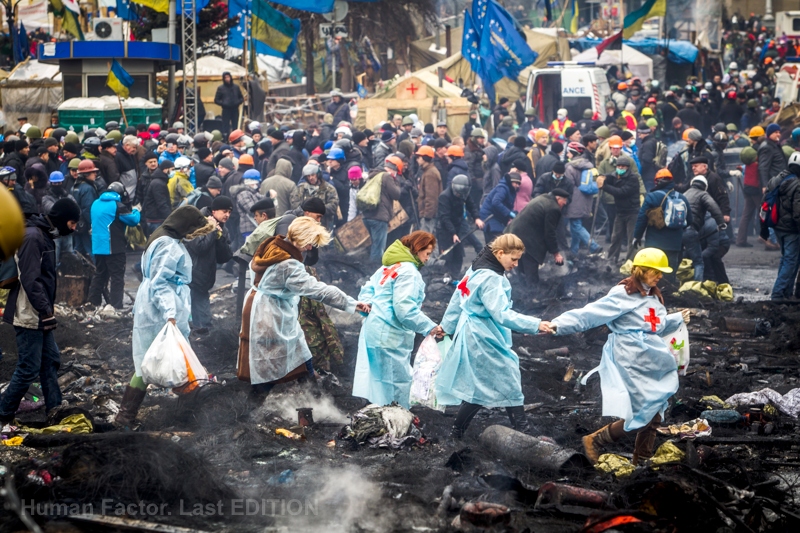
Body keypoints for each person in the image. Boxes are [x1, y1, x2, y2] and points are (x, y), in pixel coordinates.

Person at [546, 248, 690, 464]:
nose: (660, 276)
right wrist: (557, 325)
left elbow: (653, 327)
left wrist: (676, 319)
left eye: (661, 272)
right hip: (631, 358)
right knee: (646, 408)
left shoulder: (653, 296)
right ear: (640, 270)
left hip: (652, 358)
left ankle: (641, 459)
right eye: (655, 271)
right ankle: (596, 440)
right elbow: (589, 314)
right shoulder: (623, 294)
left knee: (655, 406)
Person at [436, 235, 550, 438]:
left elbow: (457, 297)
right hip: (483, 336)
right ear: (499, 254)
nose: (515, 264)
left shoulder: (477, 268)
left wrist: (447, 325)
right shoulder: (492, 278)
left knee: (482, 384)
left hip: (474, 333)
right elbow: (502, 313)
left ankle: (457, 433)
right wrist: (535, 324)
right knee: (509, 376)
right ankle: (523, 429)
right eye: (513, 259)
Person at [243, 217, 369, 396]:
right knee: (271, 361)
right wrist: (351, 303)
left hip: (261, 307)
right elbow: (318, 290)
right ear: (301, 238)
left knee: (299, 354)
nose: (310, 248)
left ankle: (311, 399)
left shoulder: (272, 245)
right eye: (310, 243)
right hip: (270, 314)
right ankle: (254, 404)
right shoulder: (289, 265)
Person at [116, 207, 216, 427]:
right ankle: (188, 415)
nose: (194, 235)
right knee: (177, 358)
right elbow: (162, 282)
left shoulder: (162, 238)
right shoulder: (169, 246)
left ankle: (125, 416)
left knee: (148, 361)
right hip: (160, 308)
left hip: (153, 305)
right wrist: (170, 313)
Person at [0, 199, 80, 424]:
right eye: (73, 223)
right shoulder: (34, 237)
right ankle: (4, 413)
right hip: (28, 311)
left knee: (51, 360)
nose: (74, 228)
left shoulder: (43, 235)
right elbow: (30, 278)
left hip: (38, 310)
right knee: (28, 367)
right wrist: (45, 310)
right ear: (63, 219)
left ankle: (54, 409)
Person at [353, 232, 442, 407]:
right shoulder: (409, 272)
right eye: (427, 253)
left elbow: (367, 289)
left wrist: (369, 305)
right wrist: (430, 327)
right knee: (397, 381)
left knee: (377, 380)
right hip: (389, 334)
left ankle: (376, 415)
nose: (427, 258)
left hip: (373, 329)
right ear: (417, 249)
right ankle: (397, 418)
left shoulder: (388, 267)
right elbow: (404, 309)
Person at [88, 182, 141, 309]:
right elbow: (133, 220)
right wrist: (136, 210)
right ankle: (116, 306)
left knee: (100, 275)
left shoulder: (95, 203)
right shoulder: (117, 205)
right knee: (117, 277)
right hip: (114, 248)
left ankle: (92, 303)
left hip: (97, 247)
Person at [185, 196, 234, 334]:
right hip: (192, 274)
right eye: (224, 211)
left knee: (200, 313)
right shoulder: (198, 223)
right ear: (214, 211)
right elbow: (199, 247)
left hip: (205, 276)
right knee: (198, 316)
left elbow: (224, 257)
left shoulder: (222, 229)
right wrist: (212, 230)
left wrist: (220, 237)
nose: (227, 215)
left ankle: (201, 332)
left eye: (229, 212)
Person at [633, 169, 693, 280]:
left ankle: (653, 295)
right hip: (675, 244)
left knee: (653, 273)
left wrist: (637, 236)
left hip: (655, 244)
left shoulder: (652, 197)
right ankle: (668, 295)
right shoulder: (682, 197)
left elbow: (642, 219)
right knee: (670, 273)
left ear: (657, 182)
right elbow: (689, 220)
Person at [509, 189, 568, 284]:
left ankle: (521, 288)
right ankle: (532, 292)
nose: (564, 205)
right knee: (531, 262)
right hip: (526, 238)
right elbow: (550, 232)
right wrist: (556, 253)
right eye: (563, 202)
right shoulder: (553, 208)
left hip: (514, 232)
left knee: (521, 263)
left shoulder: (543, 198)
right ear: (558, 198)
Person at [437, 174, 484, 278]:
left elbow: (471, 205)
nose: (460, 196)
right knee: (448, 257)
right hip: (445, 230)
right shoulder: (444, 197)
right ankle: (445, 278)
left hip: (457, 227)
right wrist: (453, 233)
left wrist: (476, 217)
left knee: (458, 256)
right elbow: (445, 218)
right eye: (458, 194)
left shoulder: (463, 194)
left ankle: (455, 276)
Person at [769, 152, 800, 300]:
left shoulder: (777, 179)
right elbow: (797, 212)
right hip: (790, 229)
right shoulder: (797, 184)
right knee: (790, 260)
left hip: (777, 226)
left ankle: (785, 293)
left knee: (785, 258)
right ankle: (778, 293)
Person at [598, 156, 640, 264]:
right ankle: (611, 259)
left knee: (632, 239)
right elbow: (609, 176)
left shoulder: (633, 178)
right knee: (615, 237)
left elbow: (621, 192)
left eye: (623, 166)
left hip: (632, 211)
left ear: (627, 168)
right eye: (619, 166)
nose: (620, 168)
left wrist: (604, 187)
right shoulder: (615, 175)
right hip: (620, 211)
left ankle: (630, 261)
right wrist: (603, 178)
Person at [682, 176, 726, 281]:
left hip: (677, 230)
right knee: (698, 262)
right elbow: (713, 206)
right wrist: (721, 223)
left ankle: (675, 283)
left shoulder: (684, 194)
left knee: (679, 259)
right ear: (705, 186)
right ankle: (696, 287)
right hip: (690, 229)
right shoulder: (703, 194)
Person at [362, 157, 402, 263]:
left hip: (367, 216)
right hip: (379, 217)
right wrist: (396, 182)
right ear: (392, 170)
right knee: (378, 248)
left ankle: (371, 269)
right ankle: (373, 271)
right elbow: (396, 194)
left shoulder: (372, 175)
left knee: (375, 245)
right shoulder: (386, 176)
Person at [564, 143, 602, 255]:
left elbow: (568, 185)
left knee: (576, 225)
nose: (567, 154)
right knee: (576, 225)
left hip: (574, 200)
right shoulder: (588, 165)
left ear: (574, 153)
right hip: (586, 199)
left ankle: (594, 246)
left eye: (569, 152)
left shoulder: (570, 167)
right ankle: (574, 251)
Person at [290, 164, 338, 230]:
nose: (310, 178)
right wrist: (307, 212)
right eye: (308, 176)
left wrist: (317, 211)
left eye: (312, 175)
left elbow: (333, 205)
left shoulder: (329, 189)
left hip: (323, 226)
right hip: (304, 226)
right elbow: (294, 204)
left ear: (318, 175)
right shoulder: (300, 188)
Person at [71, 160, 102, 258]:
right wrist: (92, 224)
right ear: (86, 174)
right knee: (91, 249)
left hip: (77, 223)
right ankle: (98, 272)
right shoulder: (88, 188)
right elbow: (87, 209)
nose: (95, 174)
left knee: (78, 249)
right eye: (93, 172)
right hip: (85, 224)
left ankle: (76, 270)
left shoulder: (75, 186)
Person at [479, 172, 521, 243]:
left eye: (519, 184)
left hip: (495, 216)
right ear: (510, 182)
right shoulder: (503, 188)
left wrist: (512, 213)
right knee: (495, 240)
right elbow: (496, 202)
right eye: (515, 183)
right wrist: (509, 213)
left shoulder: (511, 190)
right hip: (489, 216)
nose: (517, 185)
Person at [735, 147, 761, 247]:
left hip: (747, 189)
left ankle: (740, 240)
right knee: (765, 213)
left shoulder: (747, 165)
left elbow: (744, 169)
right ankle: (768, 239)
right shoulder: (757, 165)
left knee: (746, 215)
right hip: (756, 191)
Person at [417, 146, 442, 234]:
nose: (417, 159)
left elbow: (431, 197)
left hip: (428, 215)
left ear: (424, 158)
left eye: (419, 157)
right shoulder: (428, 171)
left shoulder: (430, 173)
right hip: (429, 213)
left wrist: (427, 214)